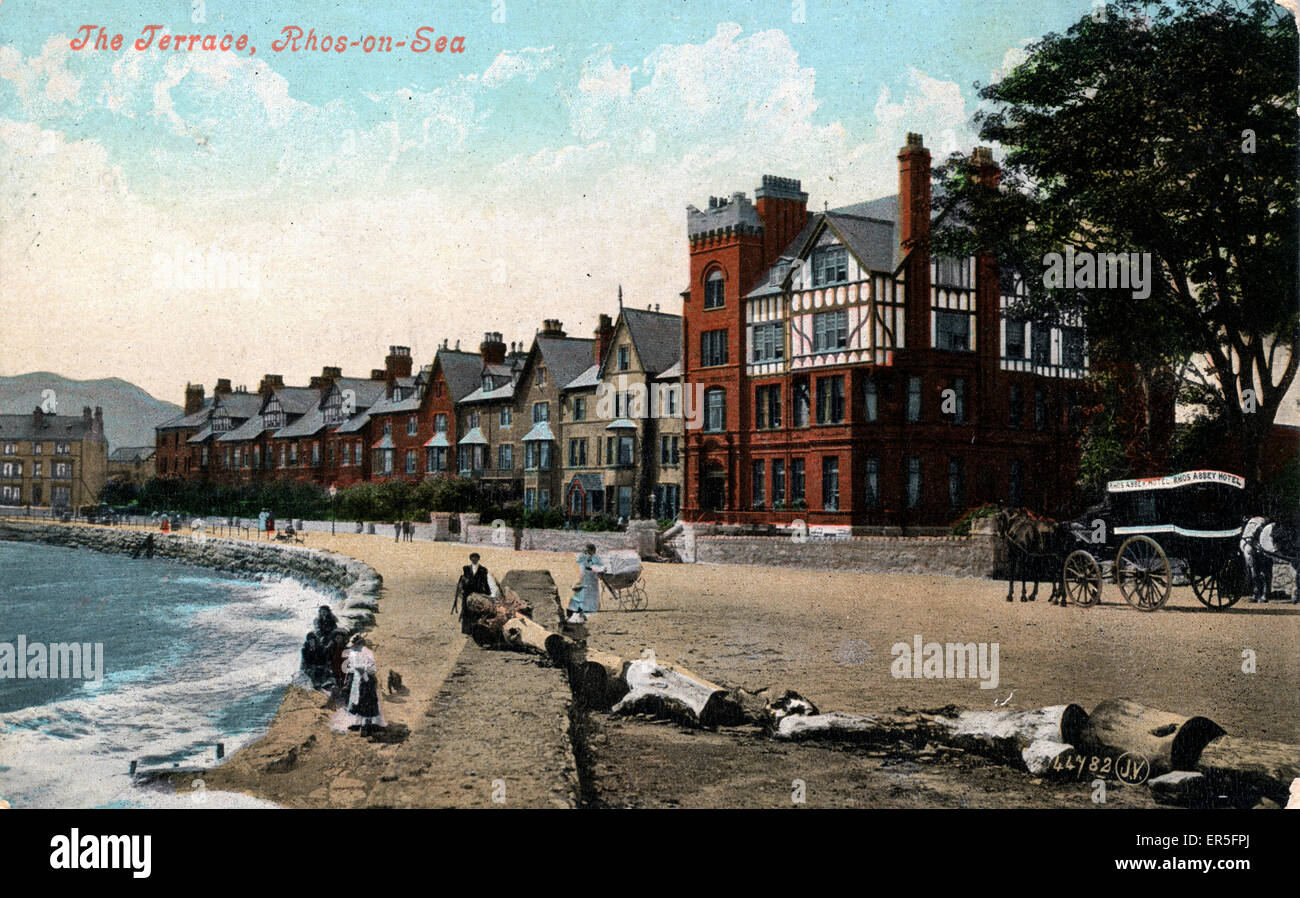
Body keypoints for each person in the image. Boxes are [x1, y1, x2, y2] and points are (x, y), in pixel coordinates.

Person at [339, 634, 385, 735]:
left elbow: (373, 669)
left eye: (355, 645)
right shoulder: (353, 653)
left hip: (367, 680)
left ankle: (367, 725)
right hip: (356, 679)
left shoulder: (368, 653)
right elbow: (350, 666)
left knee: (367, 702)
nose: (353, 647)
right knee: (357, 701)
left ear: (359, 644)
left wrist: (364, 670)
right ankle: (358, 723)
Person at [454, 552, 499, 632]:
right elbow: (462, 580)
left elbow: (485, 582)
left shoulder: (483, 569)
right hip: (467, 593)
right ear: (470, 559)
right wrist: (461, 590)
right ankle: (466, 629)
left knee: (477, 610)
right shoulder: (466, 568)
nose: (474, 559)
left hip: (478, 593)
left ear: (478, 559)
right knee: (466, 610)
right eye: (473, 558)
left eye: (476, 558)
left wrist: (487, 594)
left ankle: (476, 630)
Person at [568, 543, 604, 624]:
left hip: (590, 578)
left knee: (590, 593)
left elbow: (598, 565)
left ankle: (589, 608)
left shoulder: (590, 557)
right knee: (588, 593)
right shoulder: (585, 557)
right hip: (587, 577)